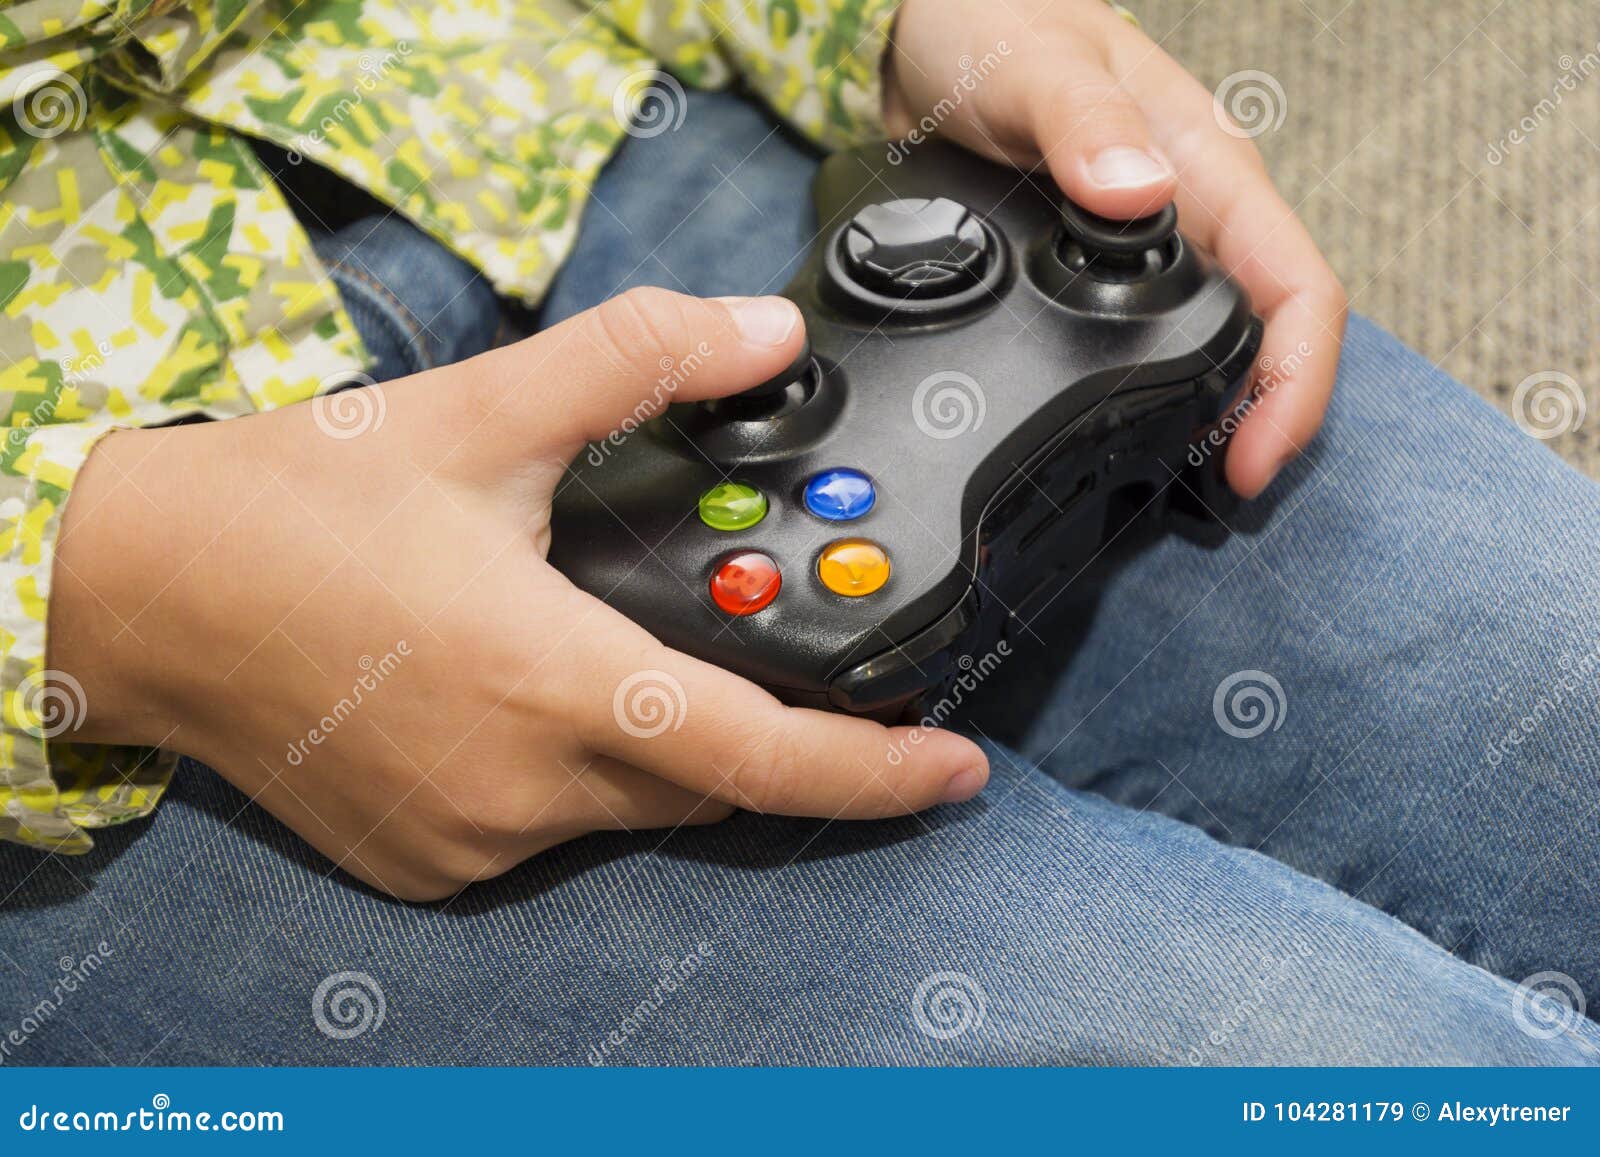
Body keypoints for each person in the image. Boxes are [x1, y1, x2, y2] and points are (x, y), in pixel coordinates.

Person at [0, 0, 1596, 1065]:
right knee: (1342, 1066)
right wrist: (102, 586)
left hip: (522, 90)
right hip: (87, 559)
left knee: (1560, 673)